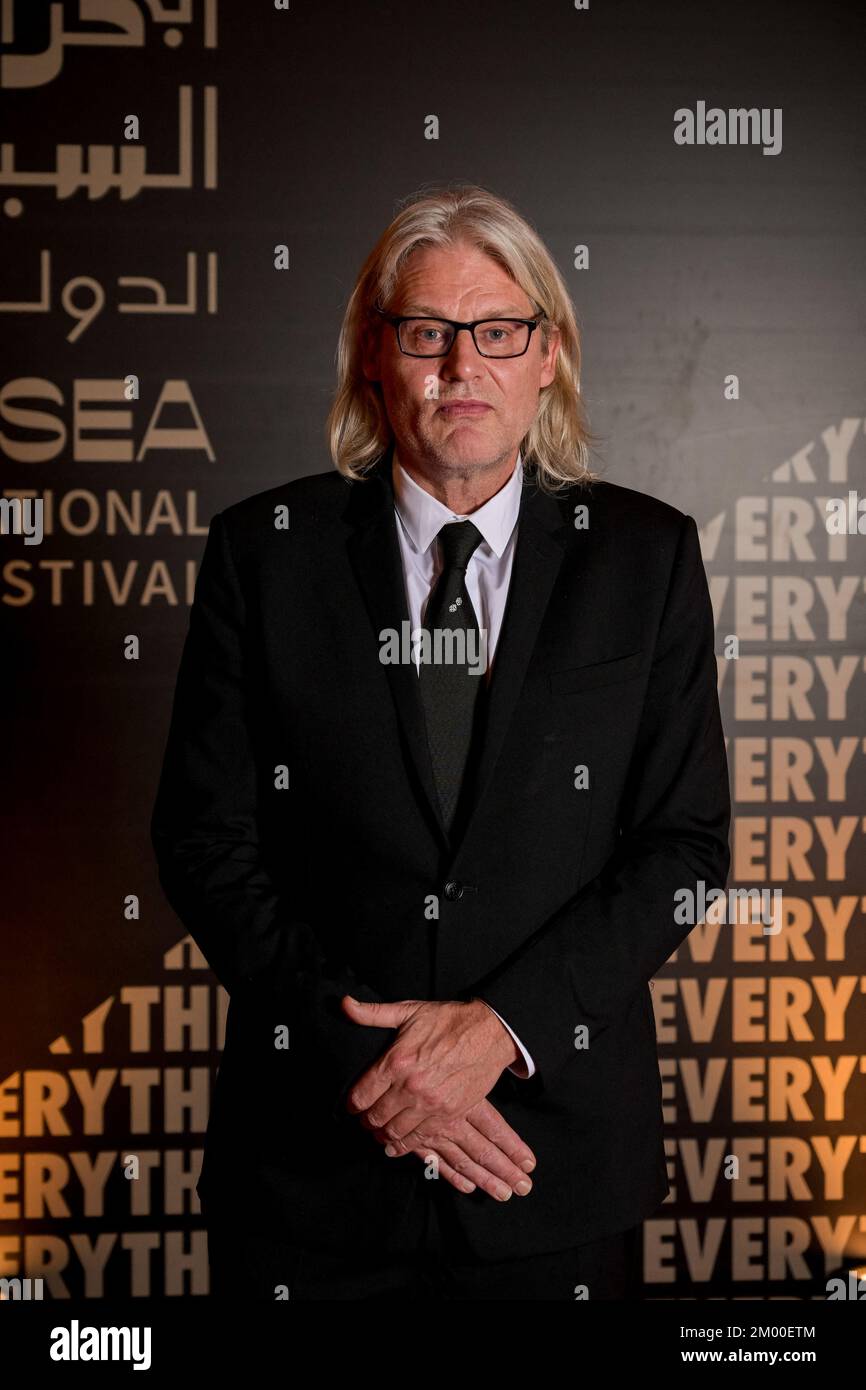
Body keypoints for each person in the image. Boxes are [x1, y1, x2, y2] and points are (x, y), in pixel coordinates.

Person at [150, 182, 731, 1300]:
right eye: (426, 333)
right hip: (314, 1171)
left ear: (548, 355)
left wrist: (500, 1031)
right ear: (375, 357)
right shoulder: (264, 554)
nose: (462, 367)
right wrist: (385, 1068)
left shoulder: (645, 557)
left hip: (549, 1167)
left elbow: (683, 847)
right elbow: (204, 843)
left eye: (498, 331)